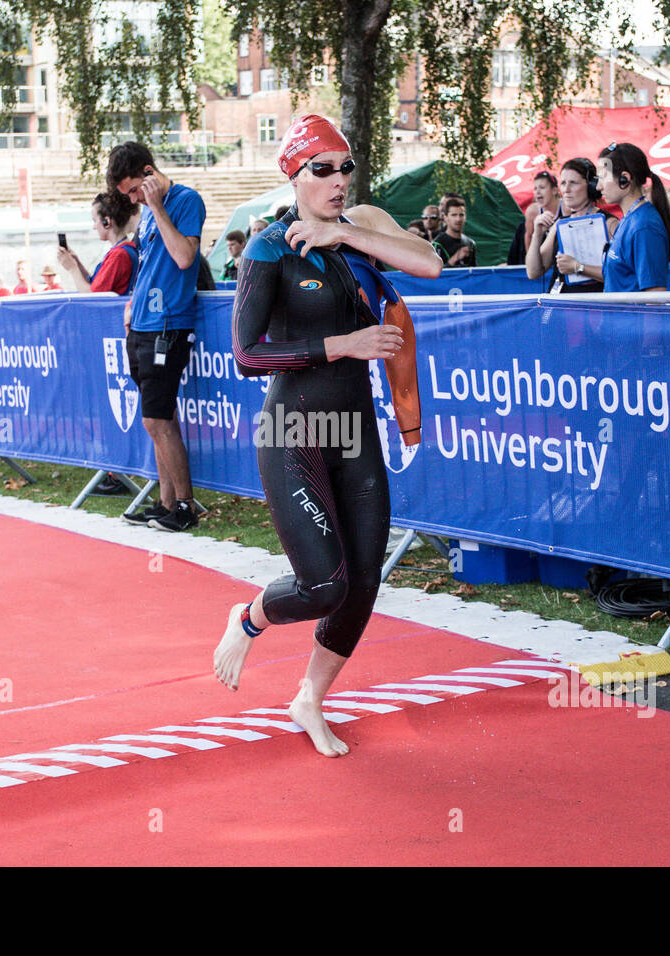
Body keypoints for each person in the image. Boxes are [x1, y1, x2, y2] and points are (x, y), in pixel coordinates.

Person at [216, 114, 442, 757]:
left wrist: (340, 231)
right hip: (295, 427)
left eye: (346, 166)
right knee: (324, 585)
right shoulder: (268, 247)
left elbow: (426, 264)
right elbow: (248, 354)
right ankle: (250, 617)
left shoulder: (363, 224)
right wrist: (345, 345)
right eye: (322, 170)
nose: (339, 179)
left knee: (364, 581)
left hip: (352, 427)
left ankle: (308, 699)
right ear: (294, 176)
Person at [107, 141, 206, 532]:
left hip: (169, 325)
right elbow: (148, 265)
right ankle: (165, 503)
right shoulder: (147, 215)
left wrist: (159, 209)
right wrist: (132, 303)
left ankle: (184, 506)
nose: (133, 200)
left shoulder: (183, 202)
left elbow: (184, 257)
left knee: (156, 421)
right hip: (143, 323)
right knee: (160, 420)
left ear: (149, 173)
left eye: (134, 190)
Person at [525, 157, 617, 291]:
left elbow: (620, 274)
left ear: (591, 186)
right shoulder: (560, 224)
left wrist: (578, 267)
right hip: (561, 306)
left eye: (573, 183)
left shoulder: (609, 223)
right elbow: (533, 272)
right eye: (563, 183)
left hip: (593, 307)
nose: (566, 189)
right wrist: (537, 235)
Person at [597, 142, 670, 291]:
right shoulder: (630, 219)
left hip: (630, 315)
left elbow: (654, 298)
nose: (598, 187)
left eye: (603, 178)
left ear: (624, 179)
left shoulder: (644, 227)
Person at [58, 191, 141, 294]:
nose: (94, 227)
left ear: (107, 222)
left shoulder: (118, 255)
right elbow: (95, 285)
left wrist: (72, 268)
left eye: (95, 220)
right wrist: (77, 263)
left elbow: (93, 296)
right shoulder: (122, 251)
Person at [514, 171, 561, 259]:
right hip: (543, 253)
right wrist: (530, 259)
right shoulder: (532, 211)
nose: (538, 192)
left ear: (554, 190)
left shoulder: (566, 208)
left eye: (542, 187)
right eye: (535, 189)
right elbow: (528, 236)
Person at [431, 196, 476, 267]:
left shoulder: (470, 243)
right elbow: (434, 273)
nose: (458, 219)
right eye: (454, 215)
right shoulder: (437, 244)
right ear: (445, 217)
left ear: (465, 217)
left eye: (461, 215)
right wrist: (453, 260)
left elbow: (475, 272)